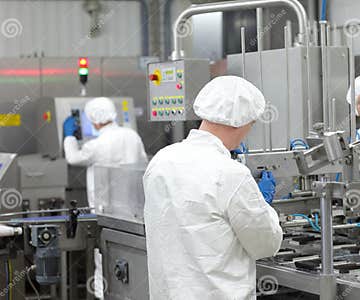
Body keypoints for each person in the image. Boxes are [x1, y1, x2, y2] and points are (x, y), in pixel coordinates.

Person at [143, 76, 283, 300]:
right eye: (252, 123)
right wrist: (264, 207)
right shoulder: (231, 174)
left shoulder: (162, 160)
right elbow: (265, 244)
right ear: (241, 123)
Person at [63, 97, 148, 299]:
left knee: (105, 259)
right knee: (134, 260)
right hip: (134, 211)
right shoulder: (131, 135)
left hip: (105, 212)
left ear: (94, 119)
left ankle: (105, 295)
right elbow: (143, 163)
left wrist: (69, 136)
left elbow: (73, 158)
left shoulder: (98, 144)